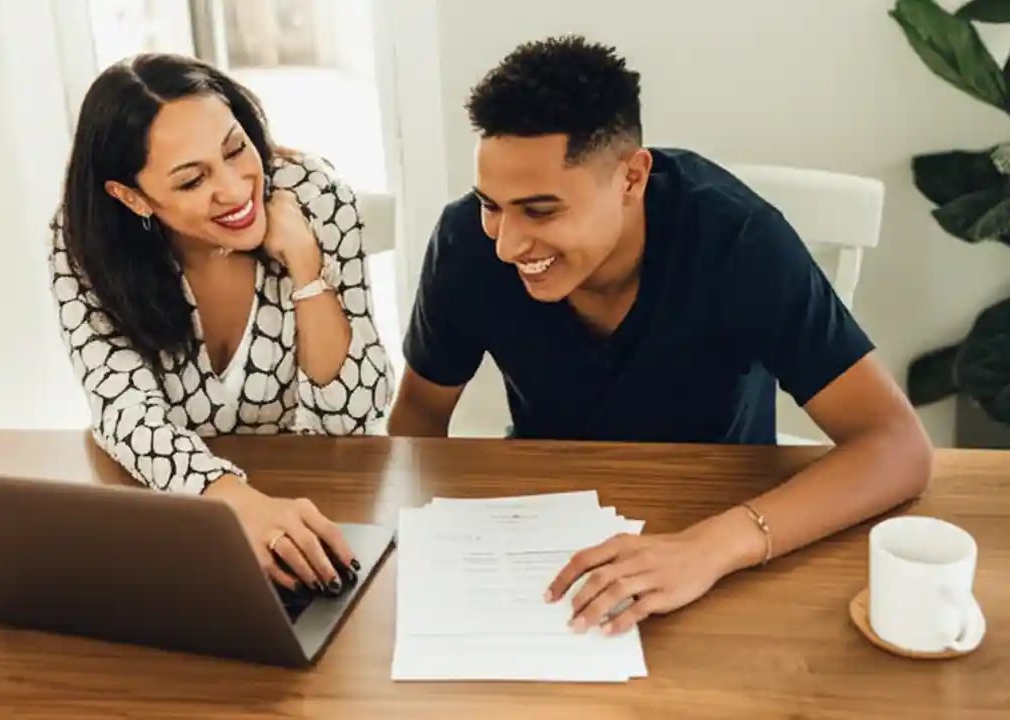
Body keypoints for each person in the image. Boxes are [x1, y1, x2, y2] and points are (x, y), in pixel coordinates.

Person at [388, 36, 932, 634]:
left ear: (632, 177)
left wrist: (711, 547)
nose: (507, 243)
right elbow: (418, 411)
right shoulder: (466, 243)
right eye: (492, 204)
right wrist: (433, 553)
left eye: (540, 211)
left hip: (728, 525)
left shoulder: (740, 241)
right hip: (545, 538)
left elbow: (897, 445)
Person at [49, 54, 394, 595]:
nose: (235, 189)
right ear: (132, 196)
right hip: (176, 517)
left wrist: (305, 263)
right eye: (192, 180)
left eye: (235, 149)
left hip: (324, 506)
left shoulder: (314, 197)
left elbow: (352, 422)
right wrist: (233, 499)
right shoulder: (87, 244)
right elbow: (123, 412)